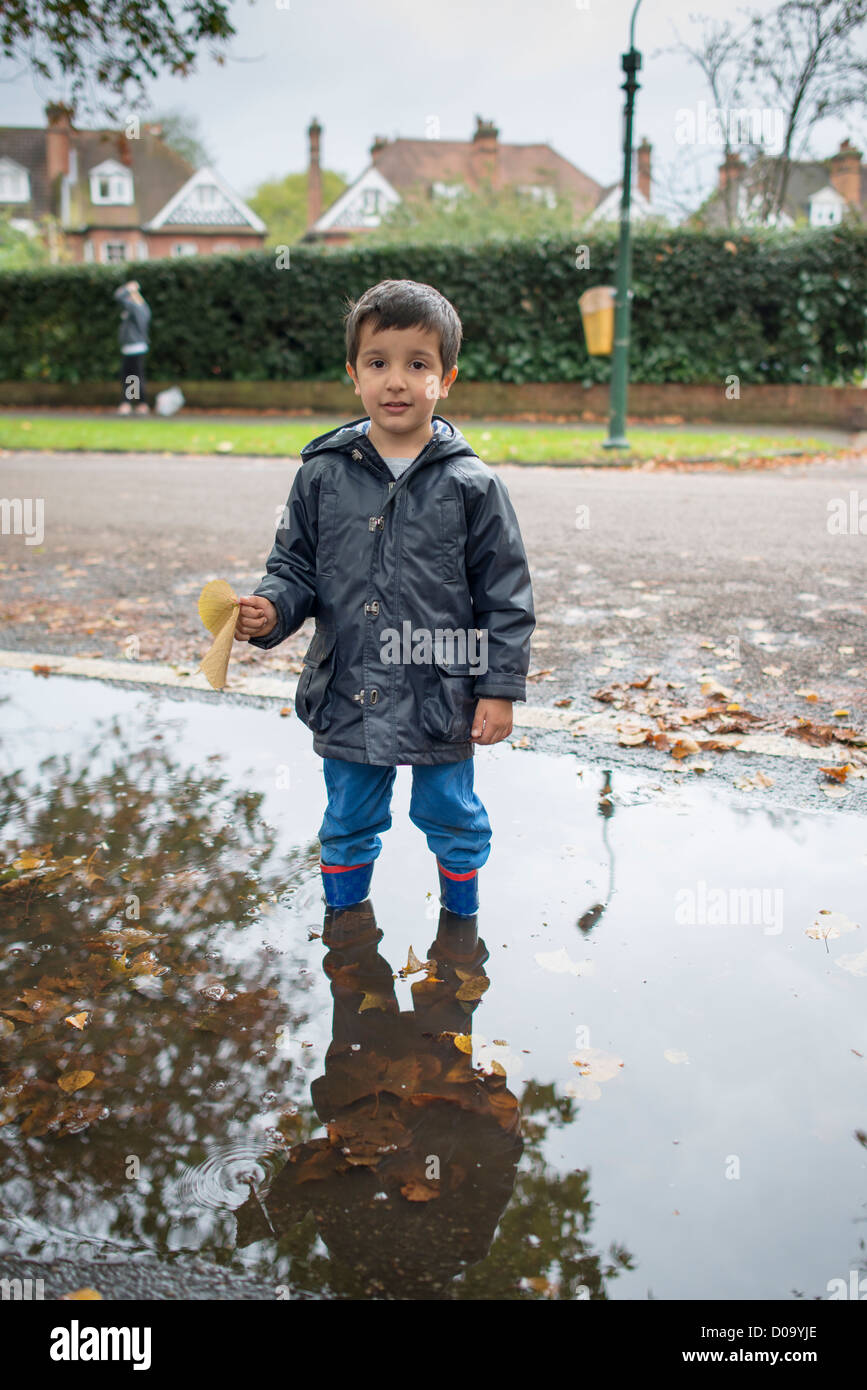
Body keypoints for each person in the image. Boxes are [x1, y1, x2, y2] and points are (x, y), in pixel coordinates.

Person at [234, 279, 535, 917]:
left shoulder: (472, 486)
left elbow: (505, 596)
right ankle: (346, 928)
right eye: (379, 364)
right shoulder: (322, 476)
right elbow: (294, 566)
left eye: (417, 365)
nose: (396, 381)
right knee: (347, 814)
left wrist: (499, 688)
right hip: (349, 686)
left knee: (451, 814)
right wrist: (272, 609)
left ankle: (461, 924)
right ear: (354, 375)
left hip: (442, 691)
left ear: (445, 379)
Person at [113, 279, 151, 415]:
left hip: (135, 347)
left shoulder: (137, 308)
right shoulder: (141, 308)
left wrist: (129, 289)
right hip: (132, 347)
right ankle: (135, 403)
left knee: (132, 377)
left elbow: (118, 296)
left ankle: (135, 403)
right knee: (132, 377)